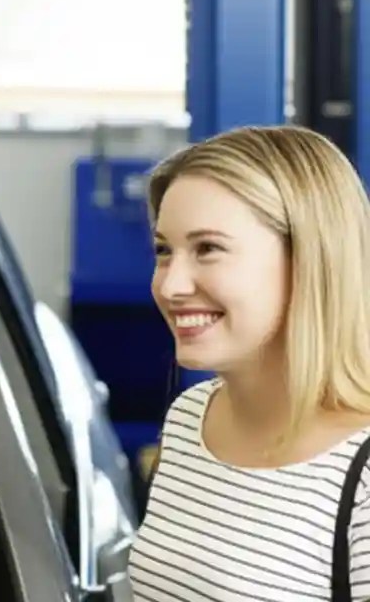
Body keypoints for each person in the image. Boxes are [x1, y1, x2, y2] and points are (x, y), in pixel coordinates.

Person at [128, 124, 370, 599]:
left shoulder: (361, 474)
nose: (171, 285)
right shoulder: (189, 418)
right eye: (164, 251)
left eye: (208, 249)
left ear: (307, 258)